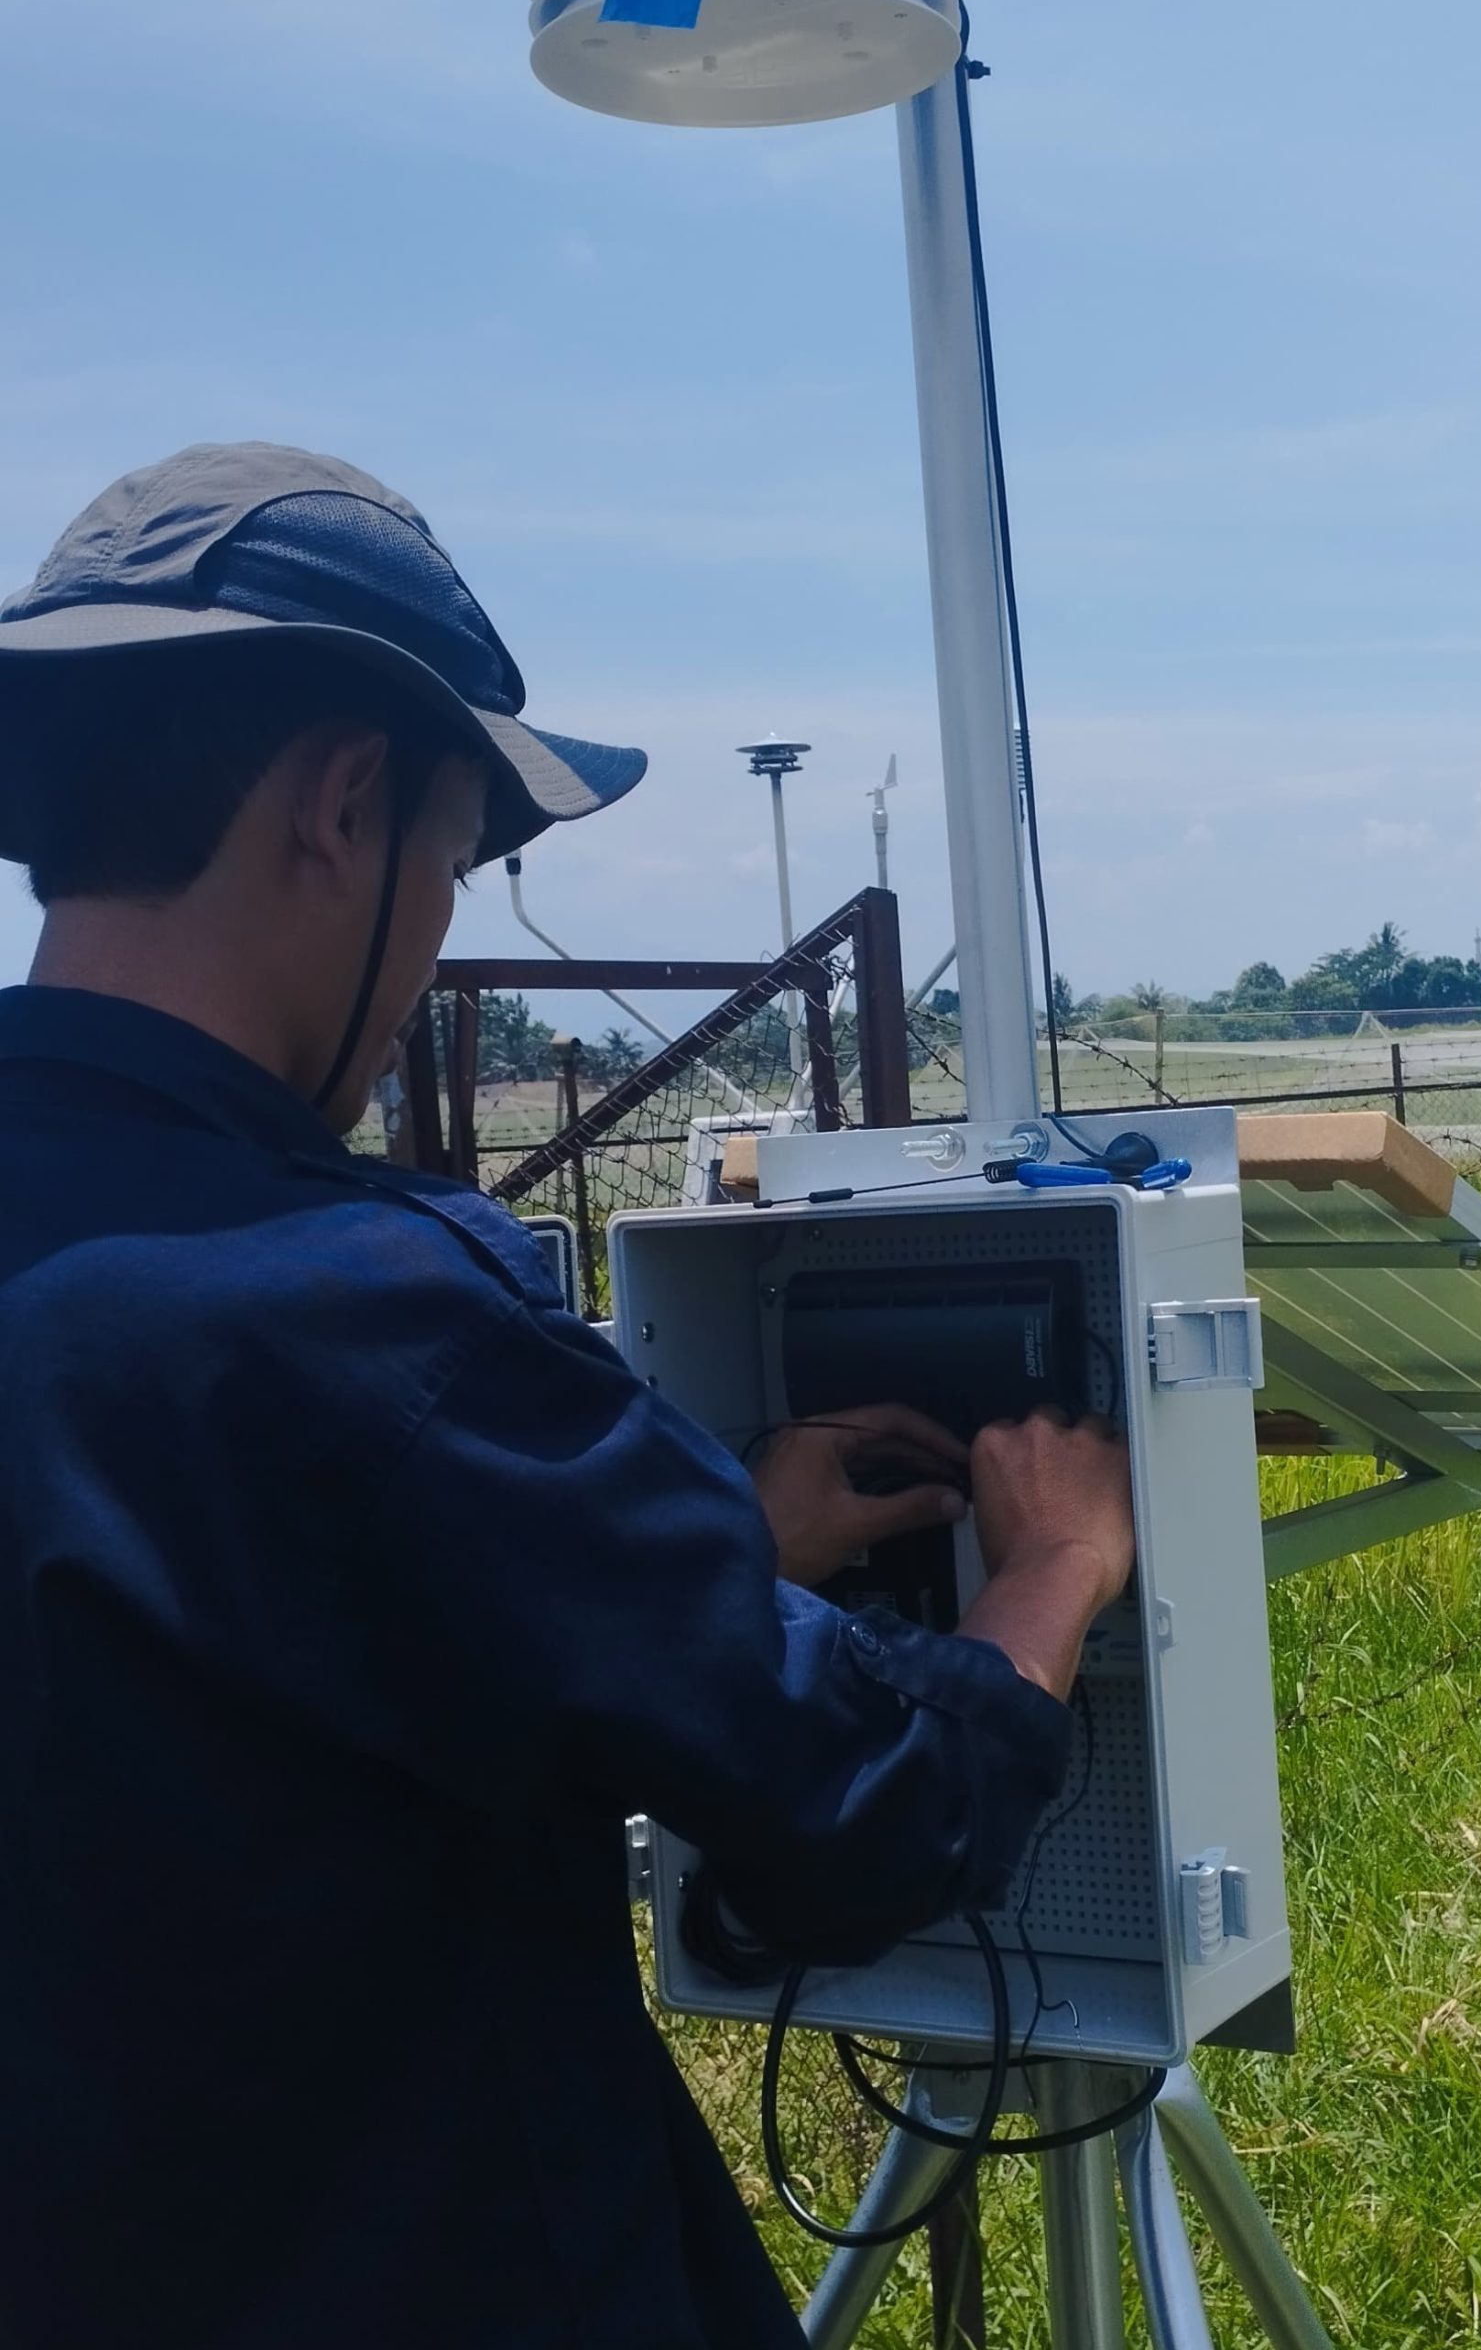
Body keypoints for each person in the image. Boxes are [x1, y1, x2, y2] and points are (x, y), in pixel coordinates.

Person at [0, 444, 1134, 2349]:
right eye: (451, 861)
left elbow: (235, 1654)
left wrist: (708, 1551)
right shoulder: (359, 1310)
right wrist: (1048, 1577)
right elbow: (855, 1814)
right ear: (342, 805)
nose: (438, 932)